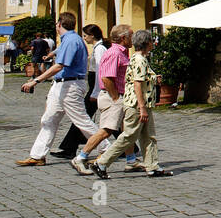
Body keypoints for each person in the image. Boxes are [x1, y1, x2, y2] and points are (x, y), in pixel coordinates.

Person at [15, 13, 101, 167]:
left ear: (60, 24)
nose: (56, 26)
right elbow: (60, 52)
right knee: (48, 119)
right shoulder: (69, 40)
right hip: (61, 85)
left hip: (70, 86)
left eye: (56, 23)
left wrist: (36, 80)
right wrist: (51, 54)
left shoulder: (72, 40)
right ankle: (37, 156)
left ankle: (107, 150)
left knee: (82, 120)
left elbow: (60, 65)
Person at [92, 30, 172, 179]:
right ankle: (101, 163)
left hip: (141, 104)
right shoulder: (140, 60)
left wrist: (153, 79)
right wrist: (142, 108)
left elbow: (140, 79)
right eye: (151, 41)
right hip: (136, 104)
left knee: (149, 136)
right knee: (129, 136)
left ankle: (152, 166)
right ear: (147, 43)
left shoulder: (137, 58)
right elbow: (137, 84)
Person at [71, 25, 141, 175]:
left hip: (118, 96)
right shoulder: (114, 53)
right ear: (123, 38)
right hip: (112, 96)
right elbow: (107, 78)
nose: (133, 39)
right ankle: (81, 157)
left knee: (126, 130)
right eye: (131, 36)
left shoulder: (122, 52)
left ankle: (131, 160)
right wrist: (116, 98)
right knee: (106, 130)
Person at [54, 24, 106, 158]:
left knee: (82, 118)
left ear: (92, 35)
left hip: (96, 86)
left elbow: (101, 71)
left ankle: (70, 147)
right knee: (83, 118)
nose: (84, 38)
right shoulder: (96, 48)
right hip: (94, 85)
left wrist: (96, 91)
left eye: (85, 36)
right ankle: (69, 147)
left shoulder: (100, 49)